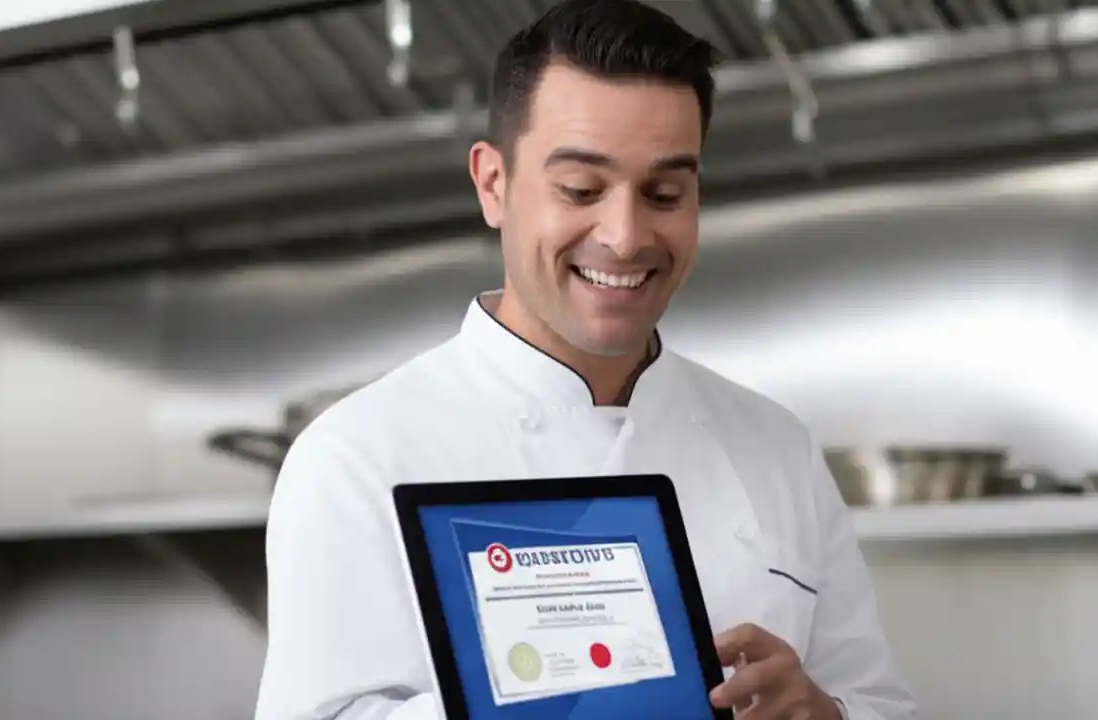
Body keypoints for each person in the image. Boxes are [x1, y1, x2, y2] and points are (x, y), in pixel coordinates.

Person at [255, 1, 916, 718]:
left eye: (665, 193)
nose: (626, 236)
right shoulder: (356, 457)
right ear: (493, 184)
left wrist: (828, 715)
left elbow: (882, 702)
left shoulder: (776, 447)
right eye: (580, 190)